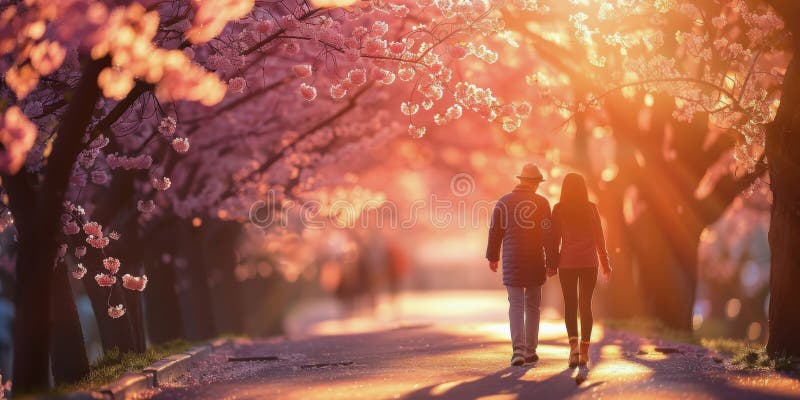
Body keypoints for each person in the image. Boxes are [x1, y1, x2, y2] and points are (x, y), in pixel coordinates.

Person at [486, 163, 559, 366]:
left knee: (516, 304)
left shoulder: (503, 202)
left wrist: (493, 256)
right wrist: (552, 262)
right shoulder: (542, 203)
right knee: (533, 306)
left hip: (512, 260)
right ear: (535, 183)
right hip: (535, 261)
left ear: (521, 181)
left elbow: (495, 231)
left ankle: (517, 350)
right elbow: (548, 234)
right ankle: (530, 350)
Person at [550, 172, 612, 368]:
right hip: (589, 263)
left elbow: (554, 240)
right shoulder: (591, 209)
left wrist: (551, 264)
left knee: (570, 305)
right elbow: (599, 239)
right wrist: (605, 263)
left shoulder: (559, 209)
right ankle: (584, 353)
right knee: (586, 305)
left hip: (567, 263)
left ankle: (573, 350)